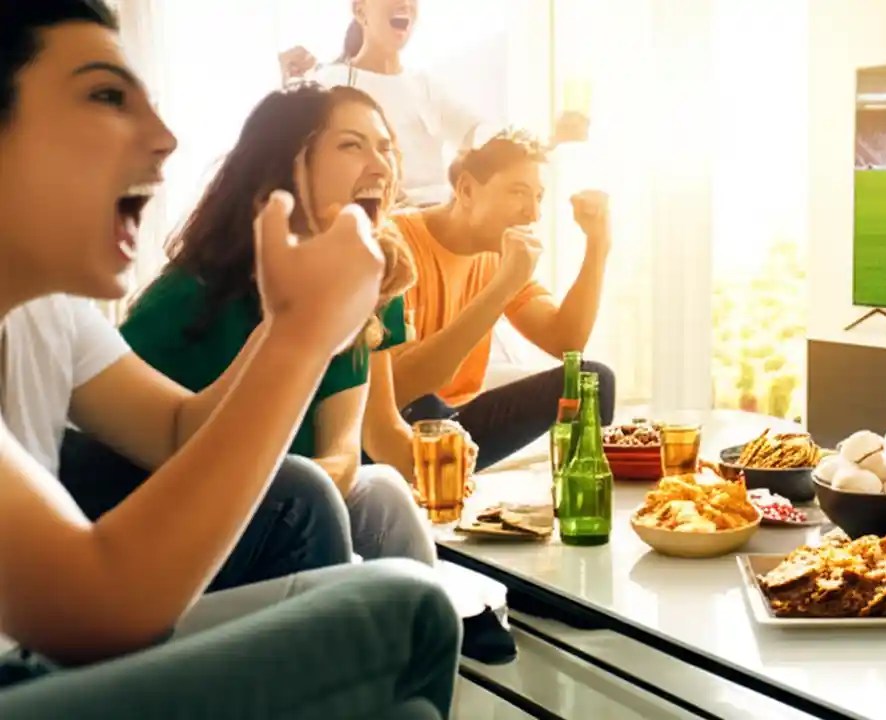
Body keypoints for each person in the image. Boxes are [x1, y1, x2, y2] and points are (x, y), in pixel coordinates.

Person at [0, 3, 460, 718]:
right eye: (104, 97)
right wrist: (300, 335)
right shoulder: (183, 301)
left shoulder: (49, 309)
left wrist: (296, 325)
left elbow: (182, 427)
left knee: (403, 687)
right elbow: (97, 605)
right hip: (35, 663)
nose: (164, 137)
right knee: (409, 610)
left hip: (38, 654)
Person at [120, 83, 441, 568]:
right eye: (352, 145)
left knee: (382, 492)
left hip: (298, 510)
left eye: (386, 148)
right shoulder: (184, 303)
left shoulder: (361, 285)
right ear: (286, 167)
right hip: (183, 540)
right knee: (308, 490)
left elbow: (343, 452)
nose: (382, 166)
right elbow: (137, 472)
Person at [388, 129, 616, 471]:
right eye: (519, 192)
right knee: (425, 405)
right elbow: (399, 387)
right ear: (466, 190)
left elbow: (566, 340)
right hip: (395, 427)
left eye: (539, 197)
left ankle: (578, 499)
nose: (533, 214)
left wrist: (598, 245)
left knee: (592, 380)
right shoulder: (395, 245)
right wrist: (503, 286)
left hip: (461, 425)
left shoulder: (497, 255)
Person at [278, 0, 589, 207]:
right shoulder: (331, 81)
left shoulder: (425, 86)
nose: (405, 4)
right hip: (372, 222)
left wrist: (552, 139)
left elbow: (491, 139)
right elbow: (288, 150)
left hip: (433, 223)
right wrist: (288, 82)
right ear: (360, 12)